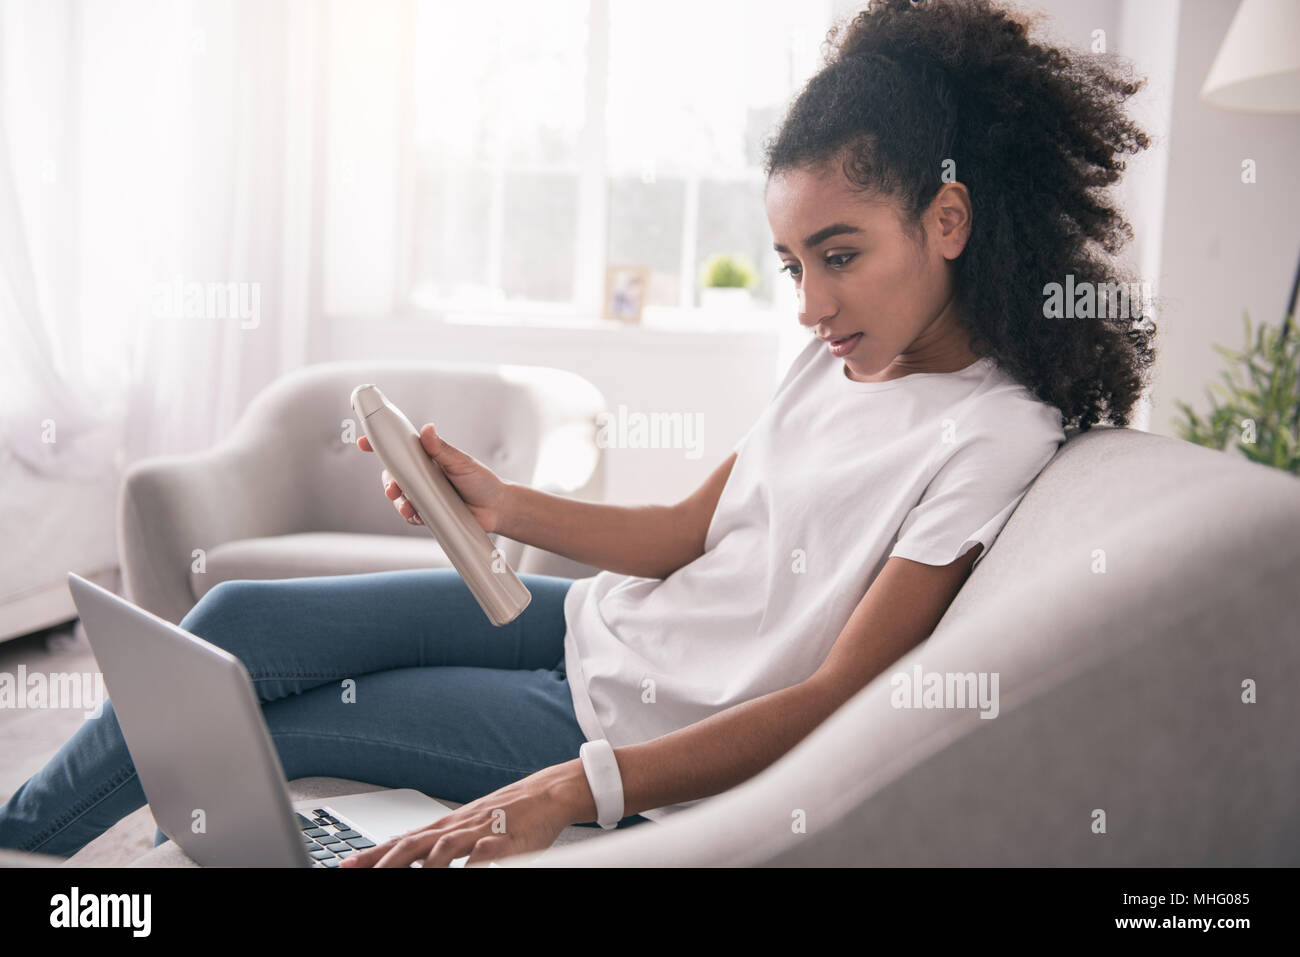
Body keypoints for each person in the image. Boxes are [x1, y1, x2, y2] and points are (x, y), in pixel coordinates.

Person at [0, 0, 1155, 867]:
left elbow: (834, 697)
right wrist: (494, 503)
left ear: (946, 219)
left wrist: (577, 789)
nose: (809, 304)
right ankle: (27, 833)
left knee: (275, 720)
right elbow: (680, 533)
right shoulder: (831, 358)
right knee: (238, 620)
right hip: (589, 626)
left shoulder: (995, 437)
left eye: (839, 255)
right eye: (794, 264)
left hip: (610, 723)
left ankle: (32, 847)